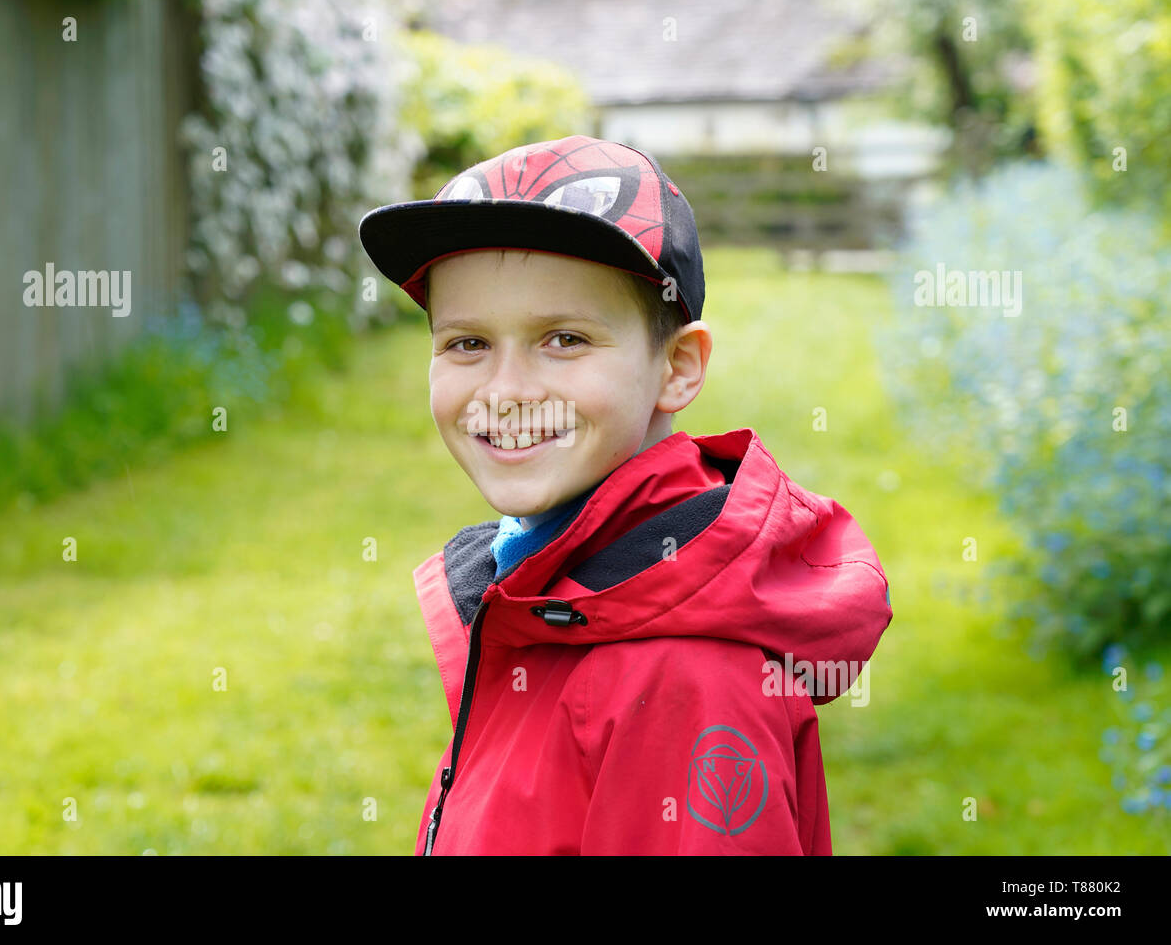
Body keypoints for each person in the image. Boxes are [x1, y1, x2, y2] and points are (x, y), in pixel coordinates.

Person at [358, 134, 893, 855]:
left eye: (565, 339)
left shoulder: (684, 678)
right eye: (467, 344)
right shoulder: (546, 592)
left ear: (676, 367)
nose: (506, 390)